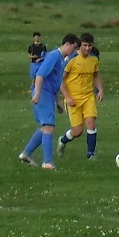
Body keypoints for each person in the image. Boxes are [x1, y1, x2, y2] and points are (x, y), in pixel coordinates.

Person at [19, 33, 80, 169]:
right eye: (74, 48)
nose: (74, 52)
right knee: (49, 127)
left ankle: (26, 154)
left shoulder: (62, 60)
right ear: (67, 44)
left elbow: (55, 82)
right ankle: (47, 162)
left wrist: (58, 101)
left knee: (45, 127)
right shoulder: (54, 56)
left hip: (48, 94)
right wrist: (37, 94)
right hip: (43, 94)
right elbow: (40, 75)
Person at [58, 33, 104, 159]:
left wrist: (100, 90)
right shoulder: (71, 59)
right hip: (73, 99)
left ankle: (90, 154)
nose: (88, 48)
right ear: (80, 45)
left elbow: (95, 75)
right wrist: (67, 97)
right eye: (85, 45)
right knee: (78, 131)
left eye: (90, 45)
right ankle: (62, 141)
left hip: (88, 96)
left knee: (91, 123)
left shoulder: (94, 59)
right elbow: (61, 80)